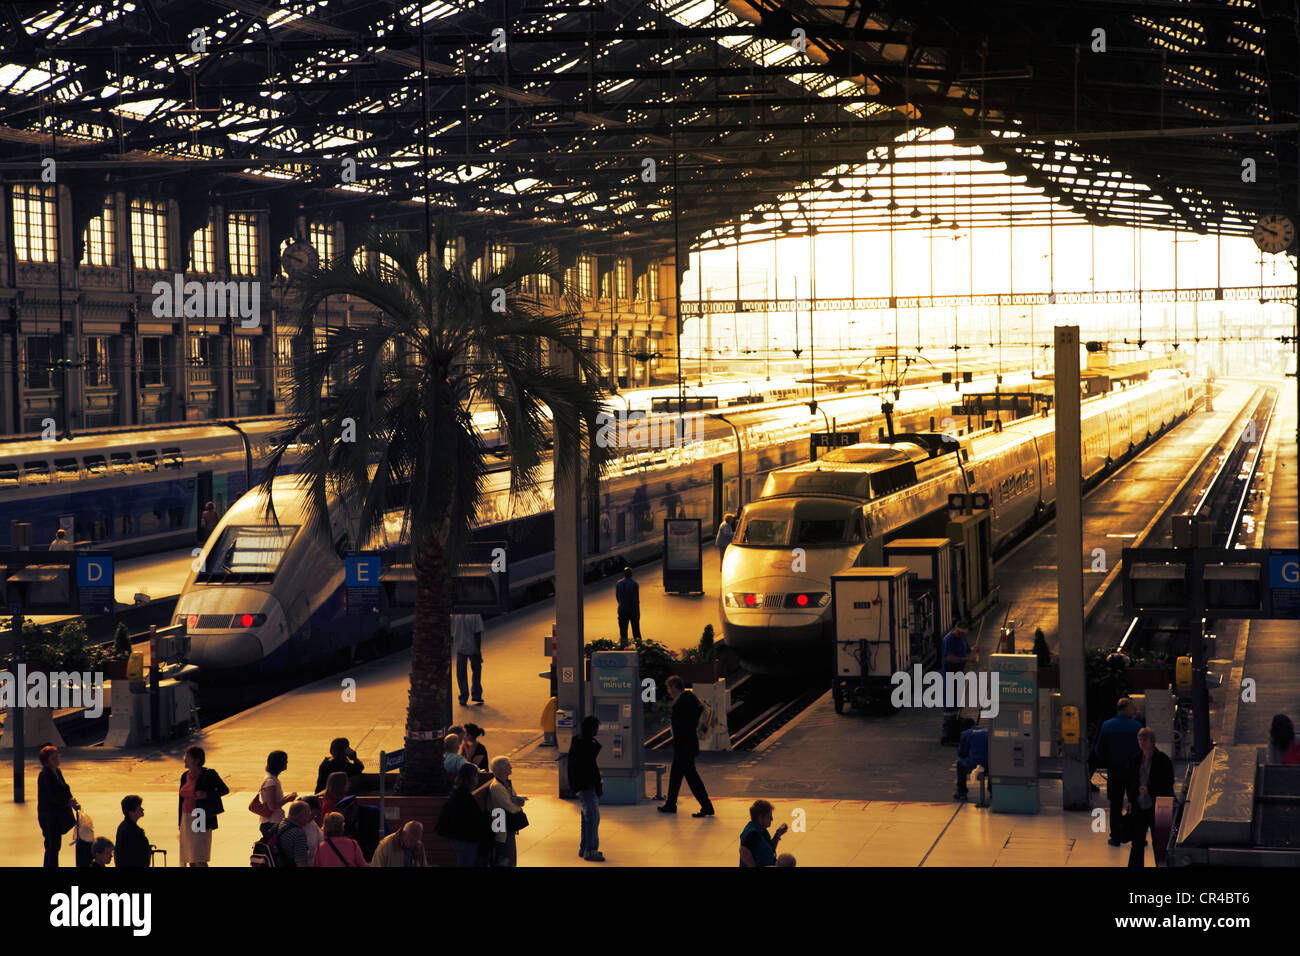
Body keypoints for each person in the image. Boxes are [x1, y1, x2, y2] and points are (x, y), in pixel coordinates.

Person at [659, 675, 715, 817]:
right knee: (676, 776)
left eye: (669, 688)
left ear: (673, 687)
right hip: (686, 745)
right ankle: (671, 804)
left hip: (684, 746)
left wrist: (675, 734)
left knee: (692, 778)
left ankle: (707, 807)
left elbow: (682, 725)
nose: (668, 691)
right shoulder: (689, 698)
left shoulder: (682, 702)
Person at [1094, 698, 1143, 846]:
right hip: (1133, 772)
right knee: (1135, 803)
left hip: (1114, 771)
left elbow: (1099, 750)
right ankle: (1136, 836)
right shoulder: (1137, 727)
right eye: (1132, 708)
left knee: (1115, 805)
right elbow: (1143, 749)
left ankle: (1115, 837)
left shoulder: (1107, 726)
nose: (1134, 710)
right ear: (1125, 709)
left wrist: (1108, 761)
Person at [1126, 727, 1174, 867]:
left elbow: (1168, 782)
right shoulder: (1135, 759)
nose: (1141, 743)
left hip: (1159, 806)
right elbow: (1130, 780)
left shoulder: (1163, 760)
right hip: (1139, 805)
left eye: (1144, 740)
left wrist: (1150, 790)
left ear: (1152, 741)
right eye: (1139, 740)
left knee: (1160, 842)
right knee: (1137, 841)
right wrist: (1132, 796)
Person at [178, 745, 229, 868]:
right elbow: (180, 800)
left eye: (187, 757)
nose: (184, 760)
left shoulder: (209, 774)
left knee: (199, 856)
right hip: (186, 817)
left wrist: (207, 794)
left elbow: (224, 790)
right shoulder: (185, 776)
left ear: (196, 760)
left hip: (200, 816)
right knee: (190, 856)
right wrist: (179, 822)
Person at [436, 763, 491, 867]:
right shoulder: (464, 796)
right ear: (472, 778)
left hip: (458, 837)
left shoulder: (457, 793)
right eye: (476, 776)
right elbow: (473, 818)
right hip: (465, 839)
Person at [567, 715, 604, 862]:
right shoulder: (586, 745)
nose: (597, 731)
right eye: (596, 728)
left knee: (587, 817)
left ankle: (584, 848)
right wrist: (598, 785)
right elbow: (591, 768)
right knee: (593, 817)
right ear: (591, 729)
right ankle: (591, 850)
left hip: (581, 785)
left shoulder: (578, 742)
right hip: (586, 785)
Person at [36, 746, 79, 868]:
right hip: (49, 816)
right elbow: (51, 797)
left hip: (56, 815)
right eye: (53, 757)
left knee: (54, 845)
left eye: (57, 756)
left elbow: (65, 789)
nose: (56, 758)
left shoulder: (57, 772)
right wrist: (67, 803)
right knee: (52, 846)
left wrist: (72, 800)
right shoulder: (44, 775)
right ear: (47, 760)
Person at [487, 756, 527, 866]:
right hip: (501, 827)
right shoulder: (497, 787)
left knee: (511, 855)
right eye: (508, 765)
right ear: (501, 769)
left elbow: (513, 799)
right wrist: (519, 805)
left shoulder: (505, 784)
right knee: (506, 856)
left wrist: (517, 801)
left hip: (507, 826)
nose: (511, 767)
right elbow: (511, 807)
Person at [939, 623, 973, 744]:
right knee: (950, 703)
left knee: (957, 702)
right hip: (950, 674)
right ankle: (948, 731)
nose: (962, 635)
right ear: (956, 629)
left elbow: (967, 650)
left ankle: (955, 725)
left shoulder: (962, 638)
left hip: (959, 674)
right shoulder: (949, 639)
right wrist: (966, 659)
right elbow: (950, 658)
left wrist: (974, 650)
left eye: (964, 633)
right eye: (960, 633)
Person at [258, 750, 297, 834]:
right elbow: (272, 806)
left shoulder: (273, 779)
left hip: (274, 821)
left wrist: (287, 798)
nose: (287, 763)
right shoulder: (270, 782)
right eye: (285, 761)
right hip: (271, 823)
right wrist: (287, 799)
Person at [739, 799, 787, 867]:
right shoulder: (753, 833)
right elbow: (743, 850)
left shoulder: (761, 829)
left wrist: (777, 835)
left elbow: (770, 849)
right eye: (769, 816)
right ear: (760, 818)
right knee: (788, 860)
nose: (772, 819)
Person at [452, 611, 486, 706]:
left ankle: (463, 697)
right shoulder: (475, 614)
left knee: (461, 673)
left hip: (460, 648)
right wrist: (478, 651)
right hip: (473, 648)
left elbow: (451, 632)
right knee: (476, 670)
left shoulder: (454, 615)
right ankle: (476, 694)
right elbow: (477, 633)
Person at [954, 718, 991, 801]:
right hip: (990, 763)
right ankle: (992, 790)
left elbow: (961, 753)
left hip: (974, 763)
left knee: (960, 764)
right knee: (992, 765)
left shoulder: (966, 733)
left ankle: (961, 792)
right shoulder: (987, 731)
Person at [114, 795, 151, 868]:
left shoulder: (124, 827)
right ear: (131, 812)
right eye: (139, 807)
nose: (142, 809)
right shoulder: (131, 831)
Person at [274, 801, 314, 867]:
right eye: (308, 813)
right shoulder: (298, 834)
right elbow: (301, 863)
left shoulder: (279, 826)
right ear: (301, 815)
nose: (310, 816)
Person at [615, 566, 642, 647]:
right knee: (636, 630)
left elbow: (617, 597)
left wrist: (622, 604)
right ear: (631, 574)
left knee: (623, 631)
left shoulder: (618, 583)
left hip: (622, 609)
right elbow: (636, 600)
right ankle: (639, 647)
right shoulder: (635, 584)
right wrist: (638, 612)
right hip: (633, 610)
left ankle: (624, 647)